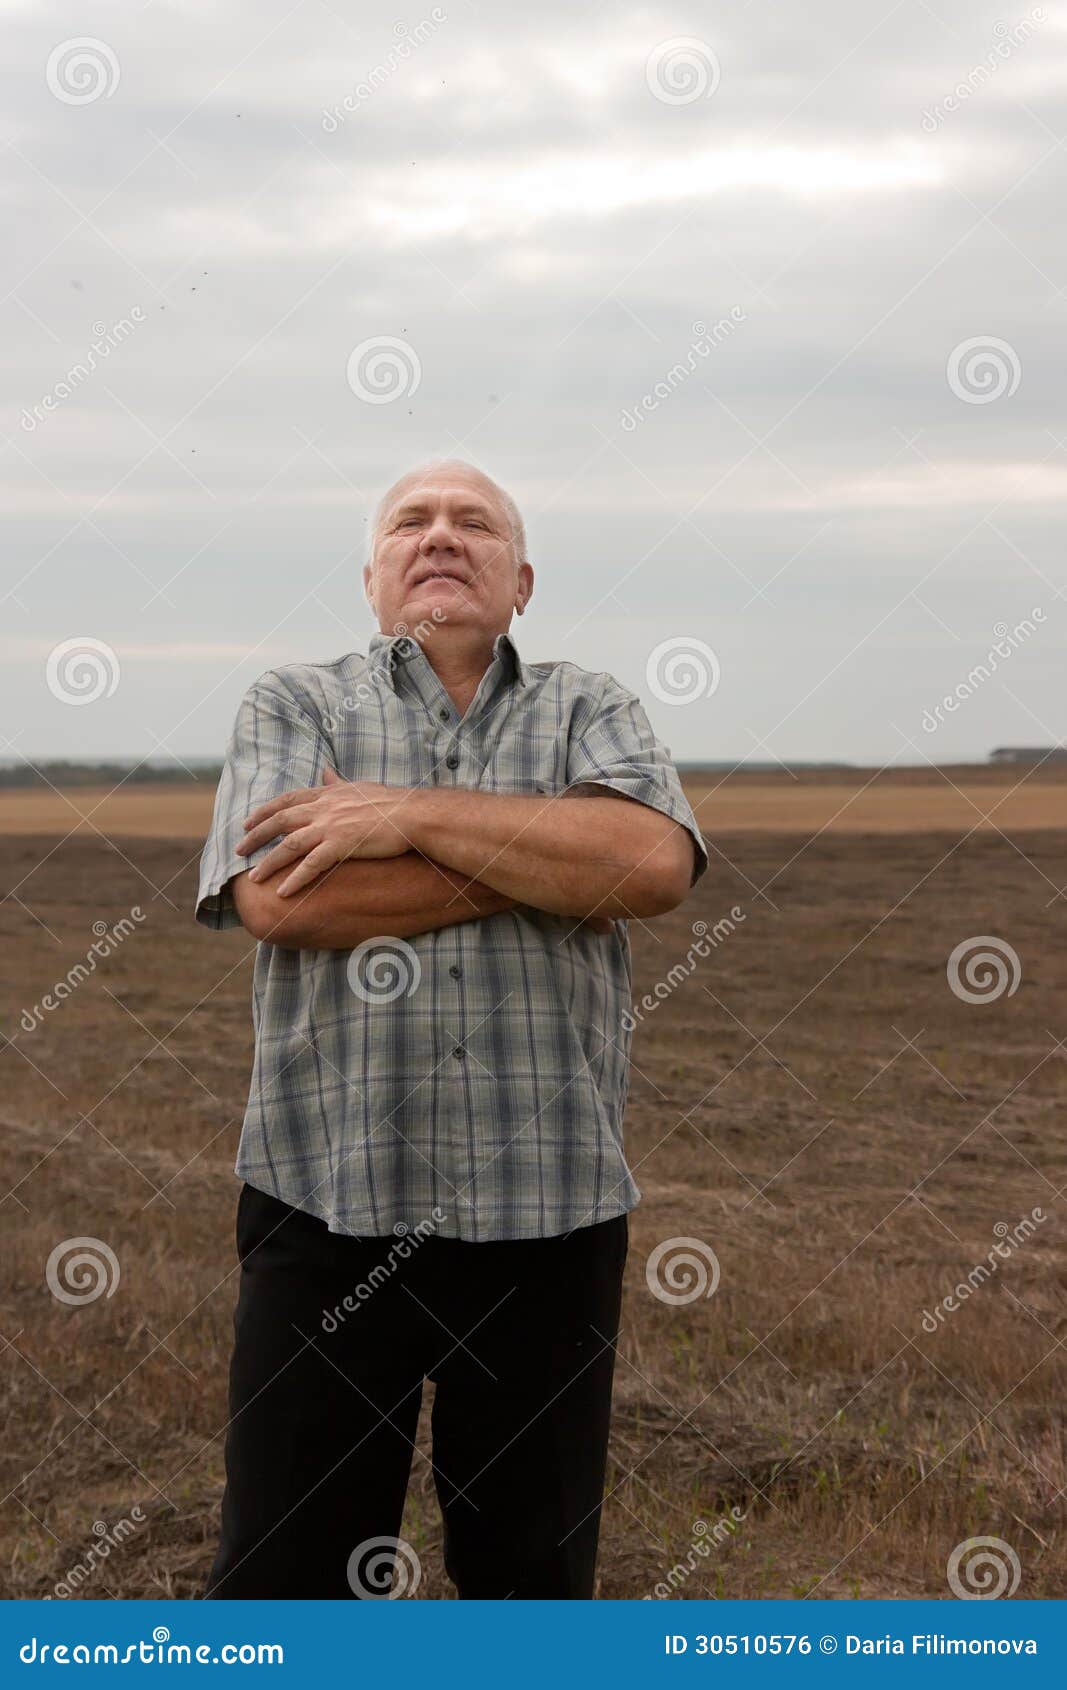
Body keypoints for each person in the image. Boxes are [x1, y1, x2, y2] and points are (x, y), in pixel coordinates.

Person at [195, 458, 708, 1599]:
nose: (440, 535)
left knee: (528, 1575)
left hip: (550, 1211)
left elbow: (653, 864)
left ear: (519, 579)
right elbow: (284, 898)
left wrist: (399, 814)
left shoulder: (593, 704)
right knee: (284, 1570)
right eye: (410, 523)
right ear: (374, 576)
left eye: (472, 524)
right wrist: (547, 859)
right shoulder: (296, 703)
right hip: (326, 1197)